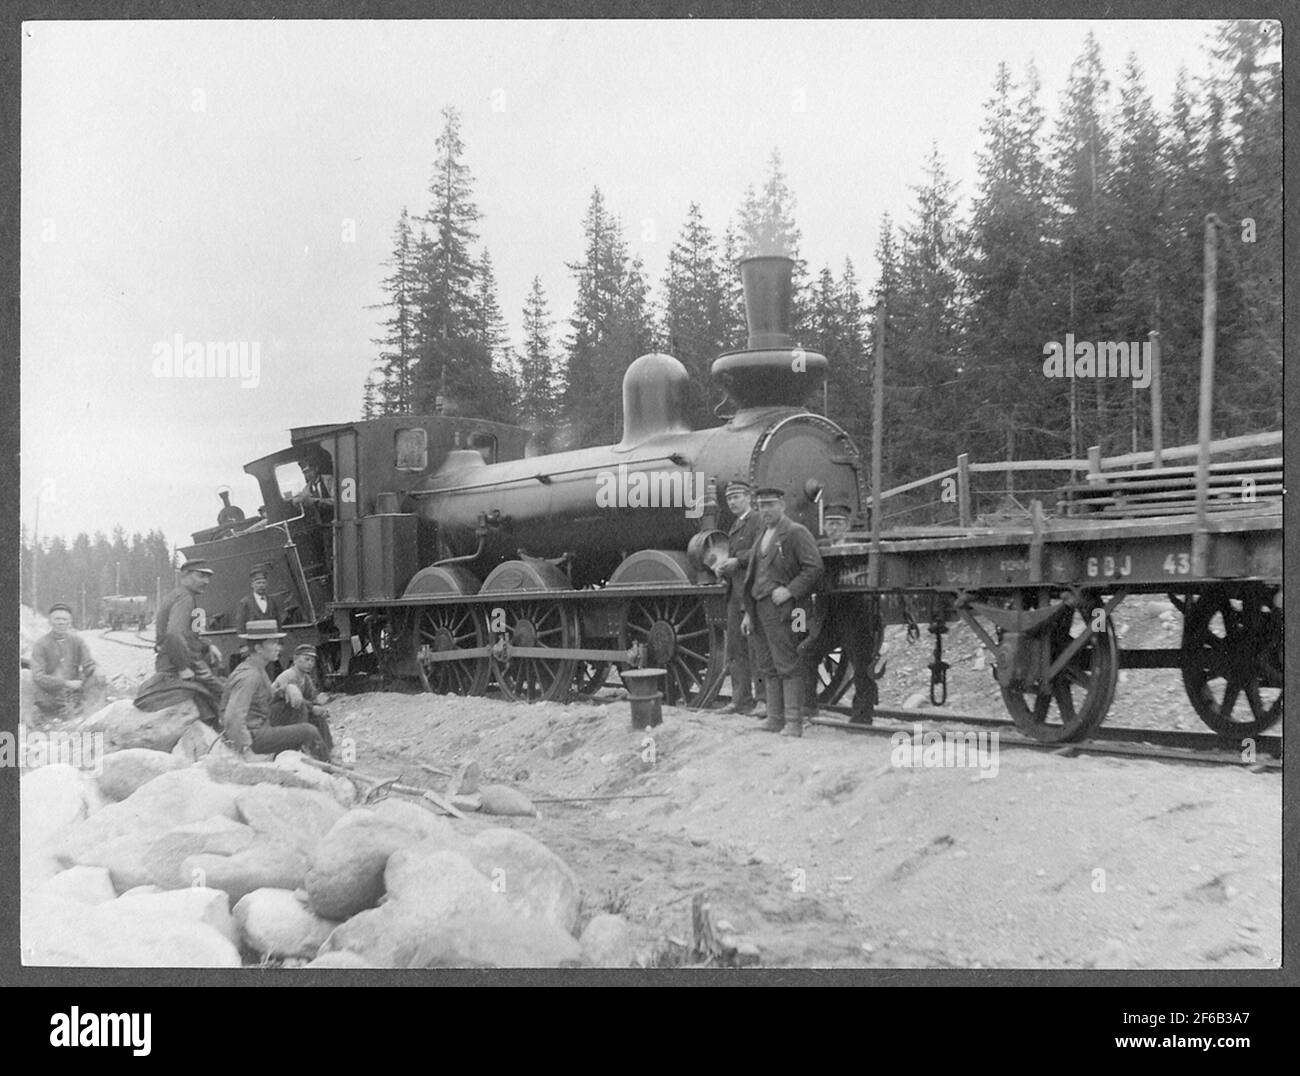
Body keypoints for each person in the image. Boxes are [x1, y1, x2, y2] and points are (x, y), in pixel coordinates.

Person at [741, 487, 823, 738]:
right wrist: (747, 613)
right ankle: (775, 719)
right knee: (767, 665)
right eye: (761, 505)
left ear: (782, 505)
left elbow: (814, 568)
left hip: (789, 610)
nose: (765, 510)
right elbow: (753, 576)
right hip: (760, 609)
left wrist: (789, 591)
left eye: (770, 505)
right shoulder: (762, 536)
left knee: (788, 663)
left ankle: (794, 722)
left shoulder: (796, 533)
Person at [799, 504, 884, 725]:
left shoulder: (858, 549)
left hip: (856, 615)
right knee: (807, 653)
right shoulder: (819, 548)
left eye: (837, 523)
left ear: (846, 526)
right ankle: (808, 706)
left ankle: (862, 715)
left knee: (861, 665)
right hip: (829, 616)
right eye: (829, 523)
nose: (832, 528)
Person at [136, 559, 225, 725]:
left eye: (207, 577)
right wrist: (183, 667)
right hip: (180, 663)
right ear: (185, 576)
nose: (206, 581)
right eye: (200, 576)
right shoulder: (185, 598)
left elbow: (190, 633)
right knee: (223, 692)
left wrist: (208, 644)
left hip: (174, 660)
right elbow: (173, 634)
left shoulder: (178, 595)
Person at [221, 620, 327, 760]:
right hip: (252, 736)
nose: (279, 648)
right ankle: (329, 770)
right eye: (273, 643)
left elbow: (267, 698)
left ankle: (286, 758)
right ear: (258, 648)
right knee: (309, 732)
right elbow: (232, 718)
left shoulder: (257, 667)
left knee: (298, 707)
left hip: (259, 725)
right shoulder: (249, 676)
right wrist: (246, 751)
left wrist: (288, 688)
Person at [714, 480, 764, 716]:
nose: (733, 502)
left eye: (737, 497)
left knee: (757, 648)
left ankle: (763, 700)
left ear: (748, 497)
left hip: (752, 593)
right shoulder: (735, 525)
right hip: (735, 593)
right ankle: (740, 699)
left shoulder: (757, 521)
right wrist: (723, 567)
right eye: (730, 498)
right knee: (736, 649)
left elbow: (761, 551)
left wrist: (738, 561)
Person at [29, 603, 106, 722]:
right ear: (50, 621)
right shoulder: (41, 644)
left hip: (74, 692)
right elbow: (38, 676)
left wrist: (96, 670)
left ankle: (89, 716)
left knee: (97, 678)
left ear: (70, 621)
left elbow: (88, 664)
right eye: (57, 619)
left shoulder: (77, 641)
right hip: (49, 694)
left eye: (64, 619)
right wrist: (65, 683)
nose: (61, 623)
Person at [269, 643, 334, 758]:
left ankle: (325, 754)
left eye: (313, 661)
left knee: (319, 718)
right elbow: (291, 699)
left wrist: (319, 708)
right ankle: (294, 750)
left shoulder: (306, 678)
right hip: (277, 714)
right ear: (295, 660)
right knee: (302, 710)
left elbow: (312, 698)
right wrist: (312, 708)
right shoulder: (288, 675)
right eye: (306, 659)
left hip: (291, 711)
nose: (310, 664)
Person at [231, 564, 286, 674]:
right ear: (252, 585)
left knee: (269, 672)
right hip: (253, 646)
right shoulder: (245, 602)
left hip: (269, 645)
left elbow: (278, 623)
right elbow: (240, 626)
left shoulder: (272, 602)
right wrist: (244, 645)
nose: (261, 585)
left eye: (263, 583)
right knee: (254, 672)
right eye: (258, 583)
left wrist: (279, 643)